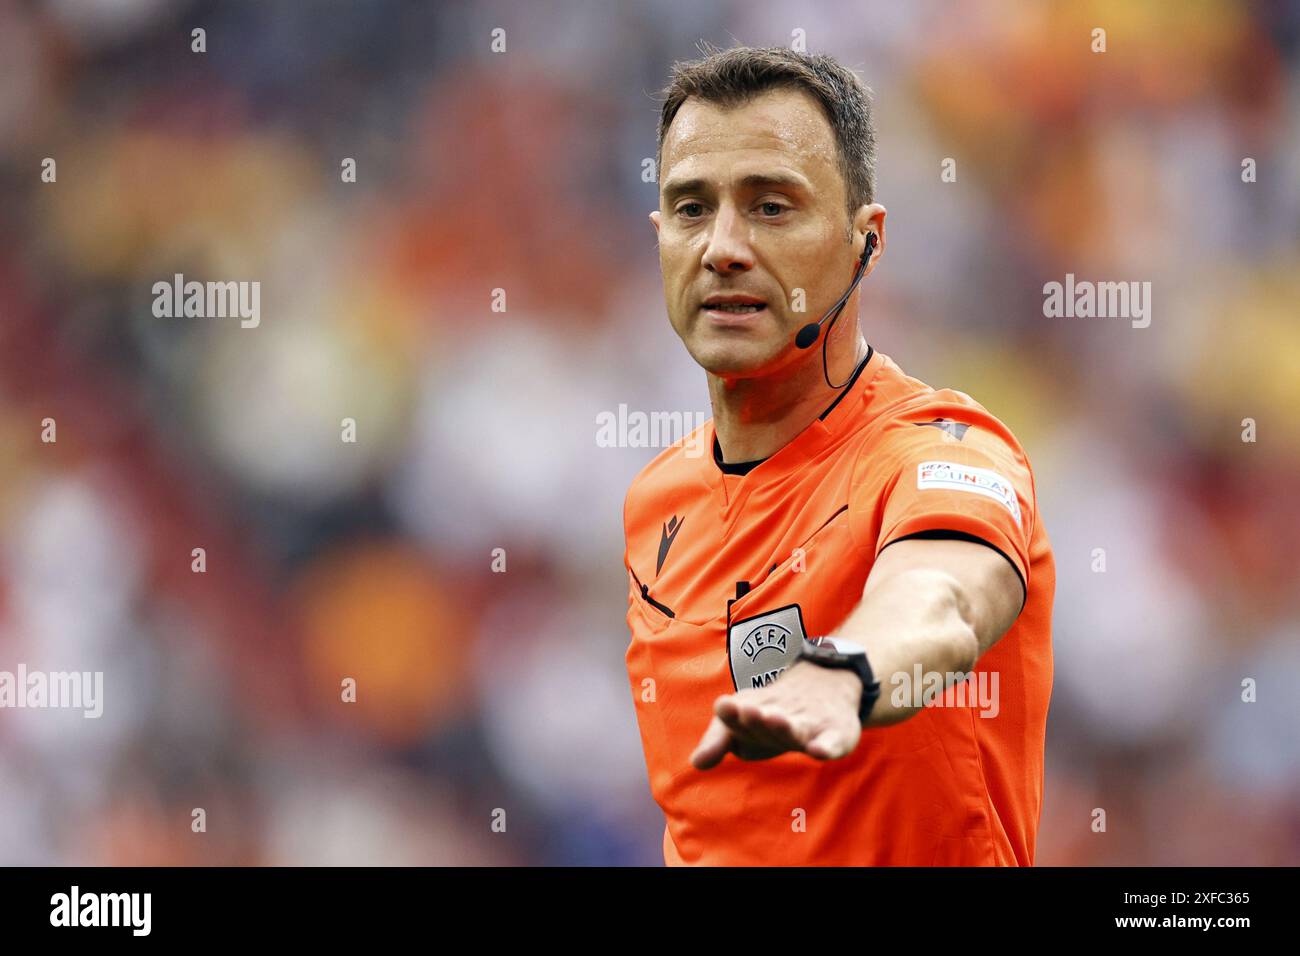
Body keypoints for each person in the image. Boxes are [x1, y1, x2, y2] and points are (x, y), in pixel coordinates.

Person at [622, 45, 1055, 866]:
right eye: (690, 208)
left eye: (772, 207)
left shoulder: (935, 451)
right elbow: (706, 822)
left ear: (866, 242)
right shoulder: (657, 502)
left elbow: (944, 602)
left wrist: (849, 670)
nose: (722, 246)